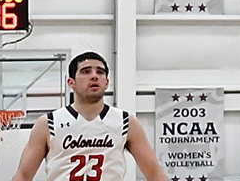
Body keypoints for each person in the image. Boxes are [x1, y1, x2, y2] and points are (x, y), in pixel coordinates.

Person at [10, 52, 171, 181]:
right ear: (71, 82)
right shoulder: (49, 123)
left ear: (107, 82)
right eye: (86, 71)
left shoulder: (126, 121)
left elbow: (155, 174)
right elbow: (23, 175)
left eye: (100, 72)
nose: (94, 76)